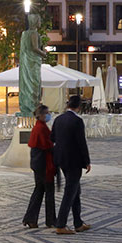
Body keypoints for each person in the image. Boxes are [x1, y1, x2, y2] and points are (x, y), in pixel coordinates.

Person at [52, 94, 92, 234]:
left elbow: (53, 138)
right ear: (79, 107)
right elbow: (82, 143)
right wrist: (87, 161)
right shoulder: (77, 121)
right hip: (74, 161)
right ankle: (61, 224)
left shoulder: (58, 119)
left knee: (76, 190)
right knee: (70, 192)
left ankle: (78, 223)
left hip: (61, 160)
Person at [22, 104, 56, 229]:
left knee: (39, 191)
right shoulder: (41, 129)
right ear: (40, 115)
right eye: (47, 113)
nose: (48, 115)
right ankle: (50, 220)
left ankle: (31, 218)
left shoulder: (40, 127)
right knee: (48, 192)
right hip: (44, 165)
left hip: (39, 164)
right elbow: (47, 145)